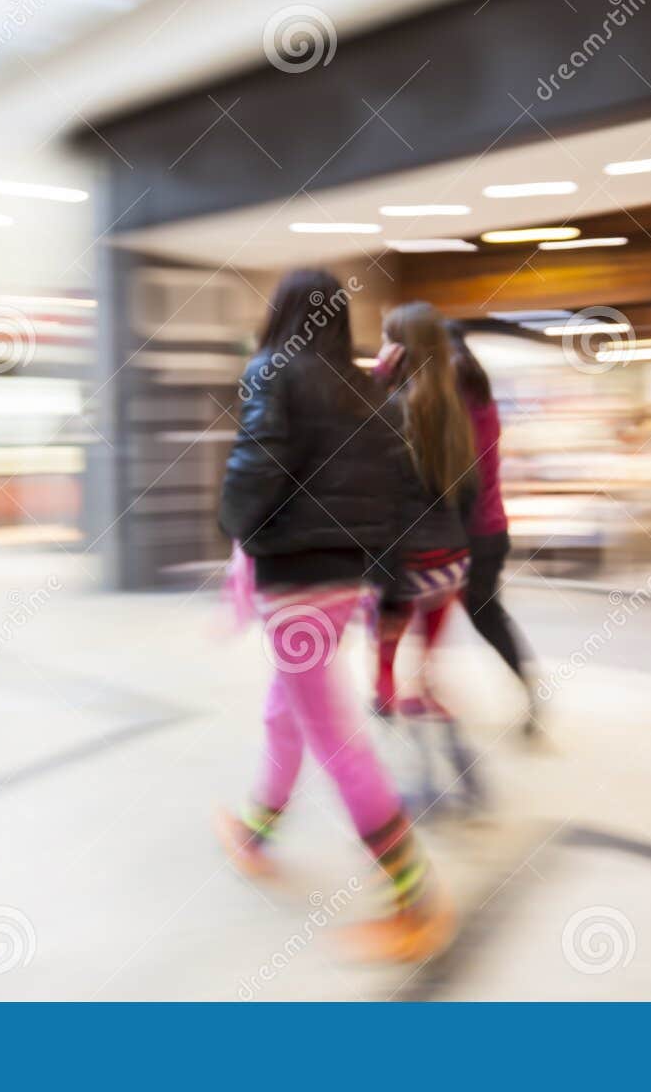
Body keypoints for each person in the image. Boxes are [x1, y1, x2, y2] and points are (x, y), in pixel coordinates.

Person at [214, 270, 454, 963]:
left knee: (333, 735)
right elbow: (389, 492)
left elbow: (254, 468)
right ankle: (256, 829)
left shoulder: (273, 371)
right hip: (342, 582)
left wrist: (232, 523)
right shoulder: (366, 391)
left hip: (291, 583)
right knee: (285, 707)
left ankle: (416, 896)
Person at [372, 302, 483, 809]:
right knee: (427, 662)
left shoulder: (393, 408)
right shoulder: (453, 408)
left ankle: (397, 702)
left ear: (399, 351)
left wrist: (376, 383)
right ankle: (431, 705)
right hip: (452, 561)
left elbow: (369, 479)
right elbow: (468, 491)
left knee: (386, 622)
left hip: (408, 564)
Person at [445, 320, 543, 738]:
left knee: (470, 611)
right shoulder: (481, 399)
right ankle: (526, 683)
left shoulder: (453, 403)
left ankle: (412, 699)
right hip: (491, 528)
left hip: (468, 532)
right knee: (486, 614)